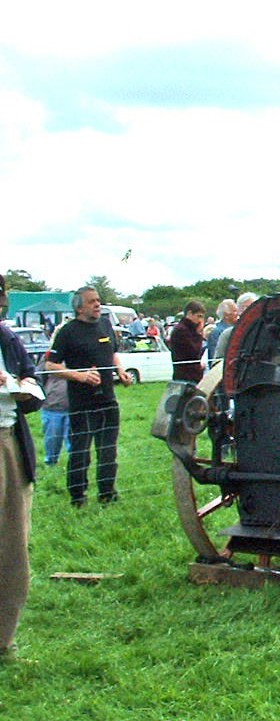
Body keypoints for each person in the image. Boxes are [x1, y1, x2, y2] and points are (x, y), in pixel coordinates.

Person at [45, 286, 133, 507]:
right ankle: (78, 497)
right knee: (81, 451)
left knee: (108, 451)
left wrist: (120, 370)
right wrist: (81, 376)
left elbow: (112, 353)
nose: (97, 304)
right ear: (79, 307)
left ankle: (107, 493)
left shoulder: (105, 324)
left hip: (108, 399)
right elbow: (50, 365)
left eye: (98, 300)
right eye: (92, 301)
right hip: (82, 403)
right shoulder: (67, 331)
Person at [1, 275, 44, 661]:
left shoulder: (7, 337)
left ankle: (4, 639)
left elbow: (32, 375)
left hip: (9, 440)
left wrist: (21, 382)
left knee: (14, 543)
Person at [213, 292, 259, 364]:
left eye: (255, 307)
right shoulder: (228, 335)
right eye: (248, 307)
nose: (253, 311)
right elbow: (217, 363)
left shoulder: (267, 333)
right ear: (239, 311)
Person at [169, 301, 207, 382]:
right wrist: (199, 334)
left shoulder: (186, 329)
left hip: (192, 375)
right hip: (186, 377)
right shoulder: (181, 330)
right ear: (190, 313)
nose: (200, 320)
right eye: (198, 316)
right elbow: (194, 352)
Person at [204, 299, 238, 369]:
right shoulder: (217, 332)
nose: (237, 313)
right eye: (234, 311)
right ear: (226, 315)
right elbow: (214, 357)